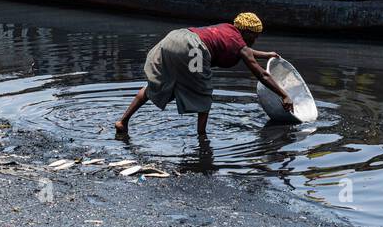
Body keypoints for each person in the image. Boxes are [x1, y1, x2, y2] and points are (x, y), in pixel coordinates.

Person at [114, 13, 293, 137]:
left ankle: (122, 122)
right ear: (246, 32)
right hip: (193, 50)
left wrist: (265, 54)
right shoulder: (240, 43)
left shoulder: (228, 29)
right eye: (255, 36)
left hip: (175, 38)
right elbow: (263, 75)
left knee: (159, 84)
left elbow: (242, 50)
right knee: (204, 91)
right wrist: (284, 95)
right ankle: (202, 137)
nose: (255, 40)